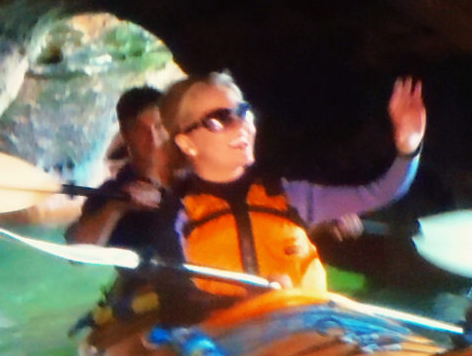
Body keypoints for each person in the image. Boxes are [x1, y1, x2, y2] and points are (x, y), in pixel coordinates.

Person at [156, 71, 425, 296]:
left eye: (243, 112)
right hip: (229, 344)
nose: (242, 126)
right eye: (220, 119)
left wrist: (408, 149)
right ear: (187, 143)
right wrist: (255, 299)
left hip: (306, 326)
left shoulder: (289, 195)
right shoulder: (177, 215)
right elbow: (178, 306)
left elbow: (379, 192)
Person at [67, 85, 178, 255]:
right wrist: (117, 207)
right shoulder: (110, 193)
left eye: (158, 126)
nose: (152, 139)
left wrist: (164, 200)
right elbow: (79, 255)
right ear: (125, 135)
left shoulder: (193, 174)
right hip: (145, 279)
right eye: (141, 130)